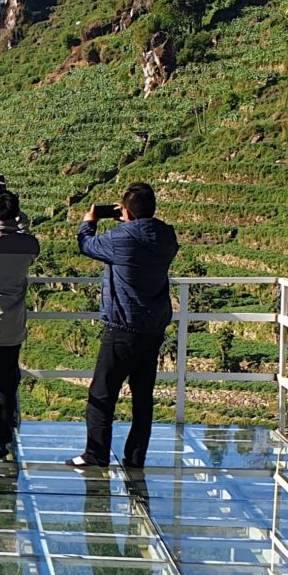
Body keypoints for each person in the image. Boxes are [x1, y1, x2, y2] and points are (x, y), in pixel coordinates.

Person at [70, 181, 178, 469]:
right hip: (153, 326)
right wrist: (130, 219)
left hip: (123, 327)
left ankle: (96, 454)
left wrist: (88, 222)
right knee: (143, 396)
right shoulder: (166, 235)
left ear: (126, 211)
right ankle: (135, 457)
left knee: (102, 393)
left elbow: (86, 245)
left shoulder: (121, 238)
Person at [0, 190, 39, 463]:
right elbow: (27, 236)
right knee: (4, 387)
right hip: (12, 327)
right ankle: (2, 442)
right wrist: (20, 221)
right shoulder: (28, 245)